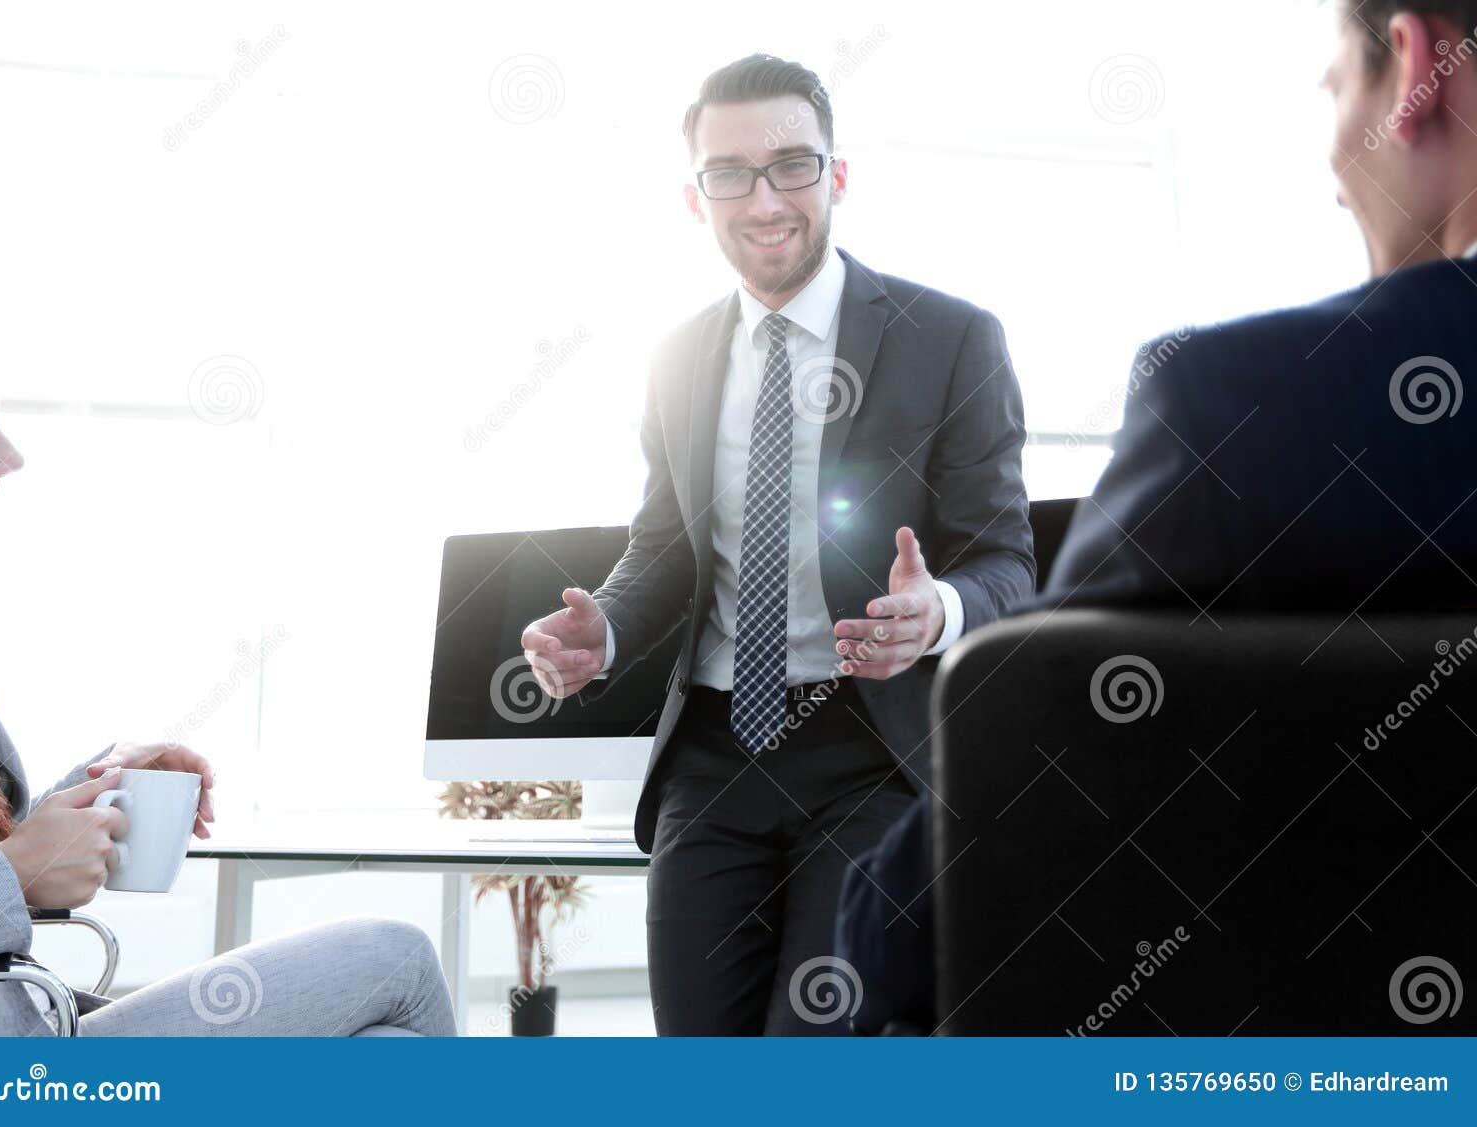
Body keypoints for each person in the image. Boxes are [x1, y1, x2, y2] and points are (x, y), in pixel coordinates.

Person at [835, 0, 1477, 1033]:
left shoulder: (1241, 407)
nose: (1330, 174)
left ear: (1410, 71)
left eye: (1333, 90)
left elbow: (906, 920)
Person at [519, 54, 1033, 1035]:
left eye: (792, 165)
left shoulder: (952, 339)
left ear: (837, 175)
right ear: (694, 195)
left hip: (870, 748)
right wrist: (609, 632)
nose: (763, 198)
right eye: (730, 174)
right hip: (712, 755)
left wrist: (938, 614)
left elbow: (1006, 559)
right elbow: (664, 550)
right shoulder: (675, 358)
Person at [0, 307, 456, 1036]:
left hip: (22, 1028)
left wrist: (96, 792)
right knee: (394, 956)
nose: (12, 458)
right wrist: (12, 872)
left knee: (389, 1053)